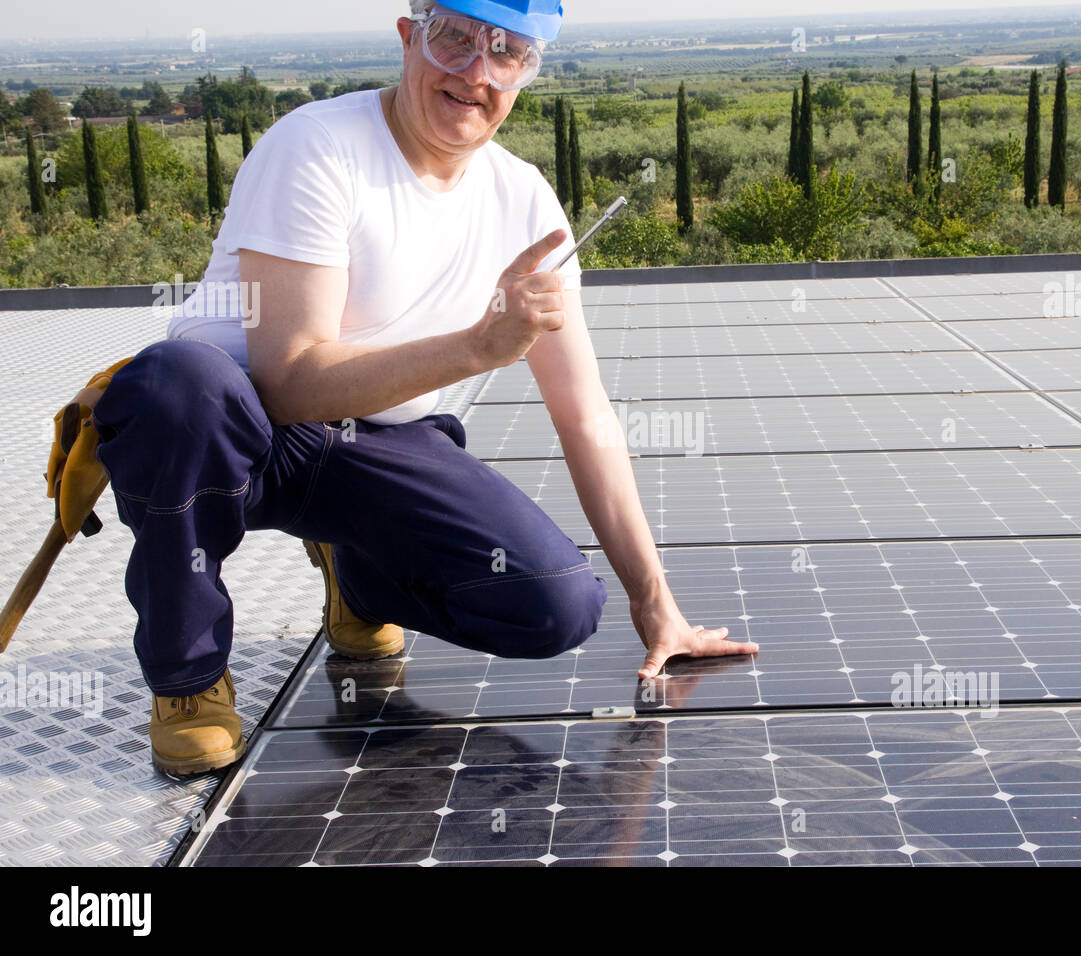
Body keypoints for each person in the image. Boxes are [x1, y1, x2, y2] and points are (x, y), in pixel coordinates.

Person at [89, 0, 758, 776]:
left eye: (506, 51)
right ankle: (189, 677)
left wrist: (656, 603)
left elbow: (585, 415)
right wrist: (478, 345)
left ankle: (361, 573)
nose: (475, 72)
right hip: (233, 436)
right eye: (455, 38)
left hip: (373, 444)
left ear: (526, 72)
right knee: (180, 386)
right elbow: (289, 377)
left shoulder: (524, 202)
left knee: (556, 605)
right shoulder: (318, 146)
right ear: (410, 36)